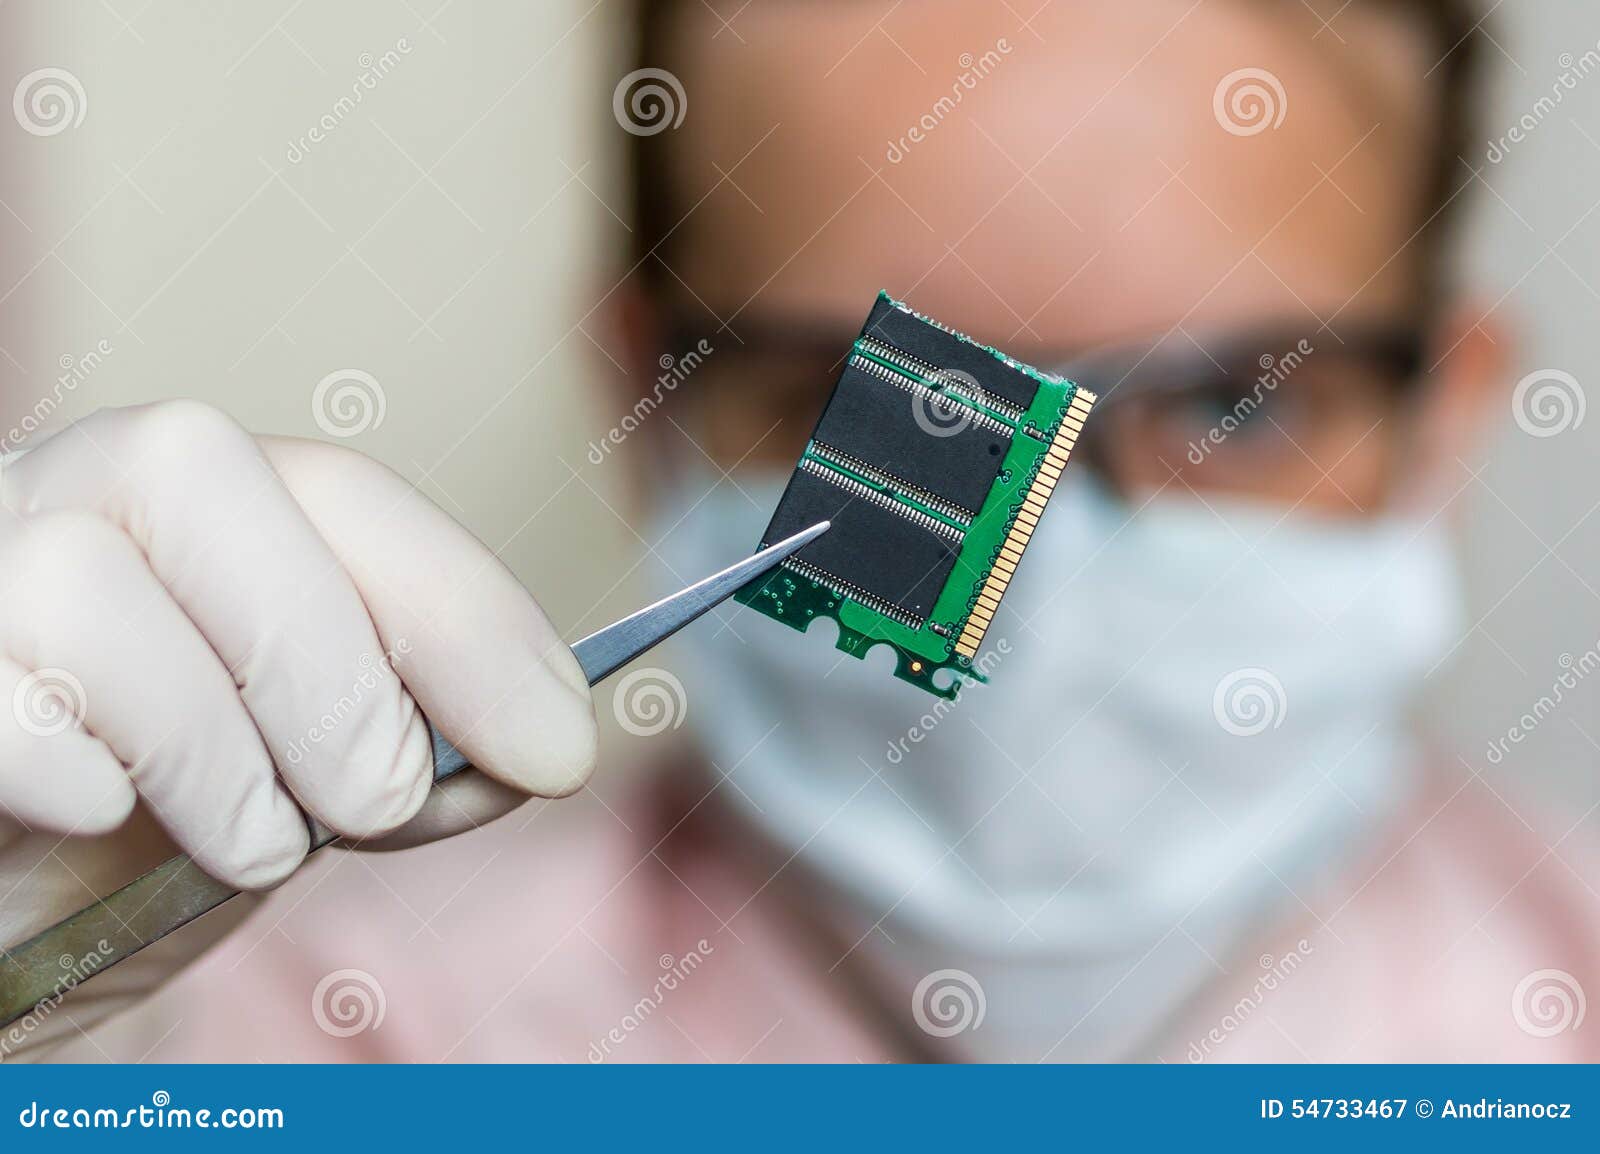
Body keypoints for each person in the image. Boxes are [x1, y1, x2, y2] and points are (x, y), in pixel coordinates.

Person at [5, 0, 1598, 1063]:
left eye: (1240, 406)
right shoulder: (292, 1031)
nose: (1044, 587)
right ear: (648, 401)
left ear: (1450, 416)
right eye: (875, 402)